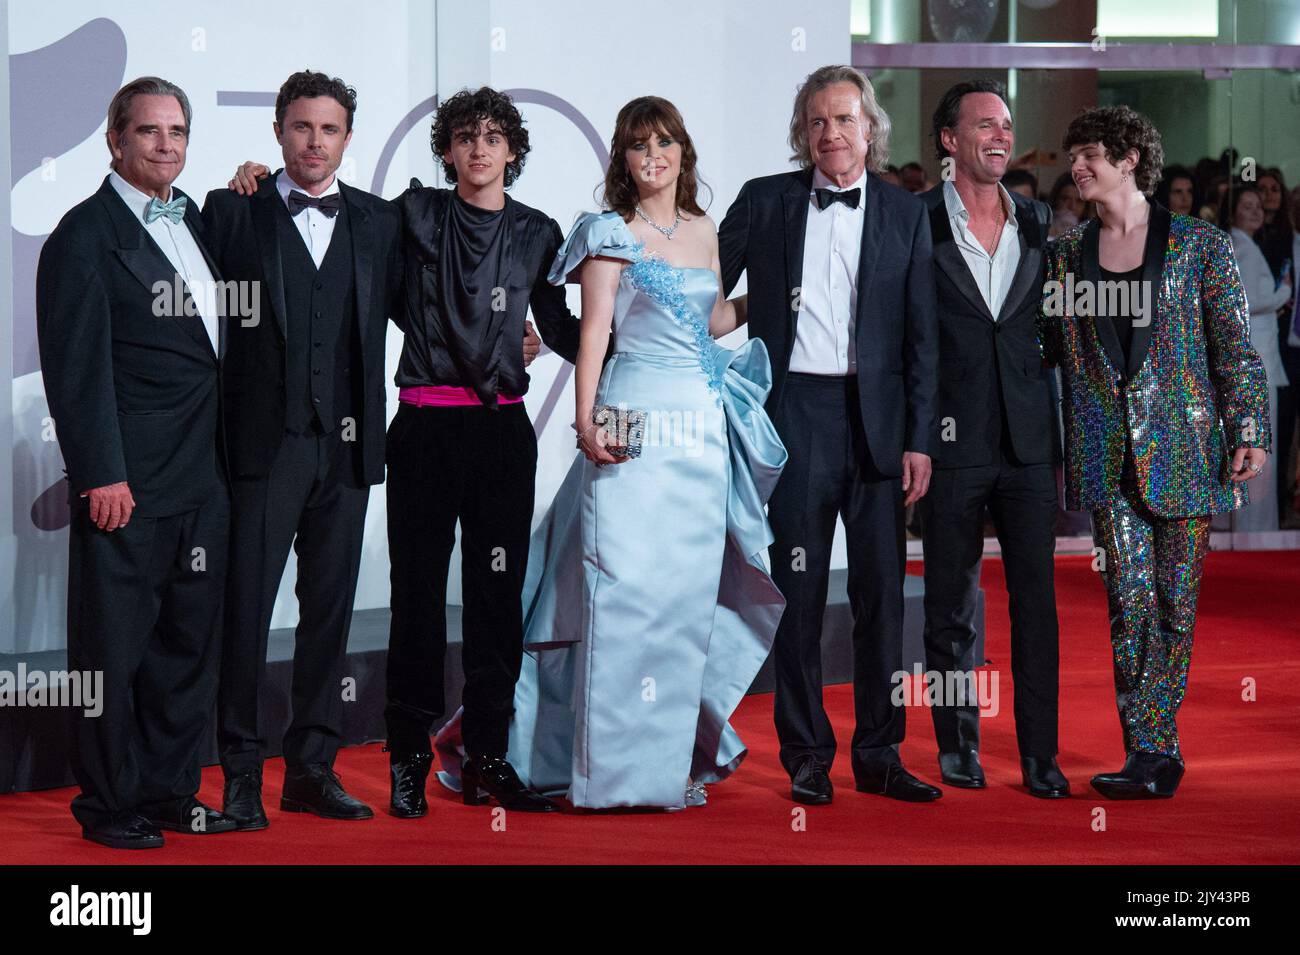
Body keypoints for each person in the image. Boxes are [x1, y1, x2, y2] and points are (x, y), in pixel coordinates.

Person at [434, 95, 787, 811]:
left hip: (699, 430)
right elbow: (593, 334)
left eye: (663, 141)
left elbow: (711, 318)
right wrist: (585, 420)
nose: (651, 154)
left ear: (682, 150)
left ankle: (660, 769)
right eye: (636, 144)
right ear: (622, 158)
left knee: (680, 605)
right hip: (629, 422)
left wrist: (769, 299)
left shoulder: (705, 229)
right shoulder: (606, 233)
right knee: (619, 598)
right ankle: (603, 771)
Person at [718, 65, 941, 805]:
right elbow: (700, 283)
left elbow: (922, 339)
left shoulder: (908, 215)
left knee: (883, 596)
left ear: (870, 129)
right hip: (798, 417)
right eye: (817, 121)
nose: (831, 134)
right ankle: (807, 753)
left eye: (844, 119)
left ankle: (880, 752)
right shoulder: (765, 201)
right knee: (799, 594)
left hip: (878, 425)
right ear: (801, 132)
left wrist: (919, 439)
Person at [1040, 106, 1270, 799]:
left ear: (1130, 158)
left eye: (1089, 157)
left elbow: (1234, 344)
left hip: (1187, 450)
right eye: (1074, 158)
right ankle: (1150, 748)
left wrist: (1250, 428)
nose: (1077, 169)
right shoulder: (1063, 256)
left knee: (1175, 600)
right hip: (1109, 457)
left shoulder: (1198, 245)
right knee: (1129, 597)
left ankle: (1156, 737)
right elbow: (1048, 351)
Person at [36, 77, 236, 848]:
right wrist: (98, 473)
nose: (165, 144)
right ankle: (108, 803)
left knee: (184, 648)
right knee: (113, 652)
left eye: (177, 131)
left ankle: (167, 791)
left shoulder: (196, 226)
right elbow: (76, 369)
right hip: (129, 482)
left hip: (203, 477)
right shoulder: (82, 235)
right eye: (149, 131)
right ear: (115, 140)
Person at [203, 71, 401, 827]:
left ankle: (312, 769)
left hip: (346, 453)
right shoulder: (230, 211)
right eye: (301, 128)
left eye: (329, 130)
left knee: (329, 615)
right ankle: (244, 781)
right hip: (263, 450)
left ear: (348, 138)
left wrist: (517, 331)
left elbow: (424, 307)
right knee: (246, 617)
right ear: (278, 132)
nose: (314, 142)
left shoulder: (379, 221)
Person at [381, 87, 582, 815]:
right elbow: (347, 249)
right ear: (446, 149)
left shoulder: (537, 231)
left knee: (496, 600)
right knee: (417, 600)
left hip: (500, 433)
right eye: (465, 136)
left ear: (514, 152)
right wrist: (254, 182)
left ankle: (487, 758)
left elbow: (559, 325)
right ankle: (407, 758)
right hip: (424, 430)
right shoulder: (413, 215)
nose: (478, 149)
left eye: (493, 137)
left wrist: (651, 359)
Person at [918, 81, 1068, 798]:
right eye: (984, 125)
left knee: (1037, 604)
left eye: (1006, 124)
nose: (1000, 136)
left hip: (1030, 443)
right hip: (951, 442)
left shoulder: (1038, 221)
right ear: (950, 140)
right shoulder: (916, 221)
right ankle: (956, 747)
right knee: (951, 606)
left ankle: (1041, 755)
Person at [1221, 183, 1291, 532]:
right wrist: (1286, 291)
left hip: (1259, 352)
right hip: (1256, 357)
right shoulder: (1240, 245)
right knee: (1257, 441)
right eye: (1246, 204)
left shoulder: (1245, 244)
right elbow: (1251, 299)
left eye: (1258, 205)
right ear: (1232, 210)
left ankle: (1252, 523)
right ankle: (1253, 526)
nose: (1255, 211)